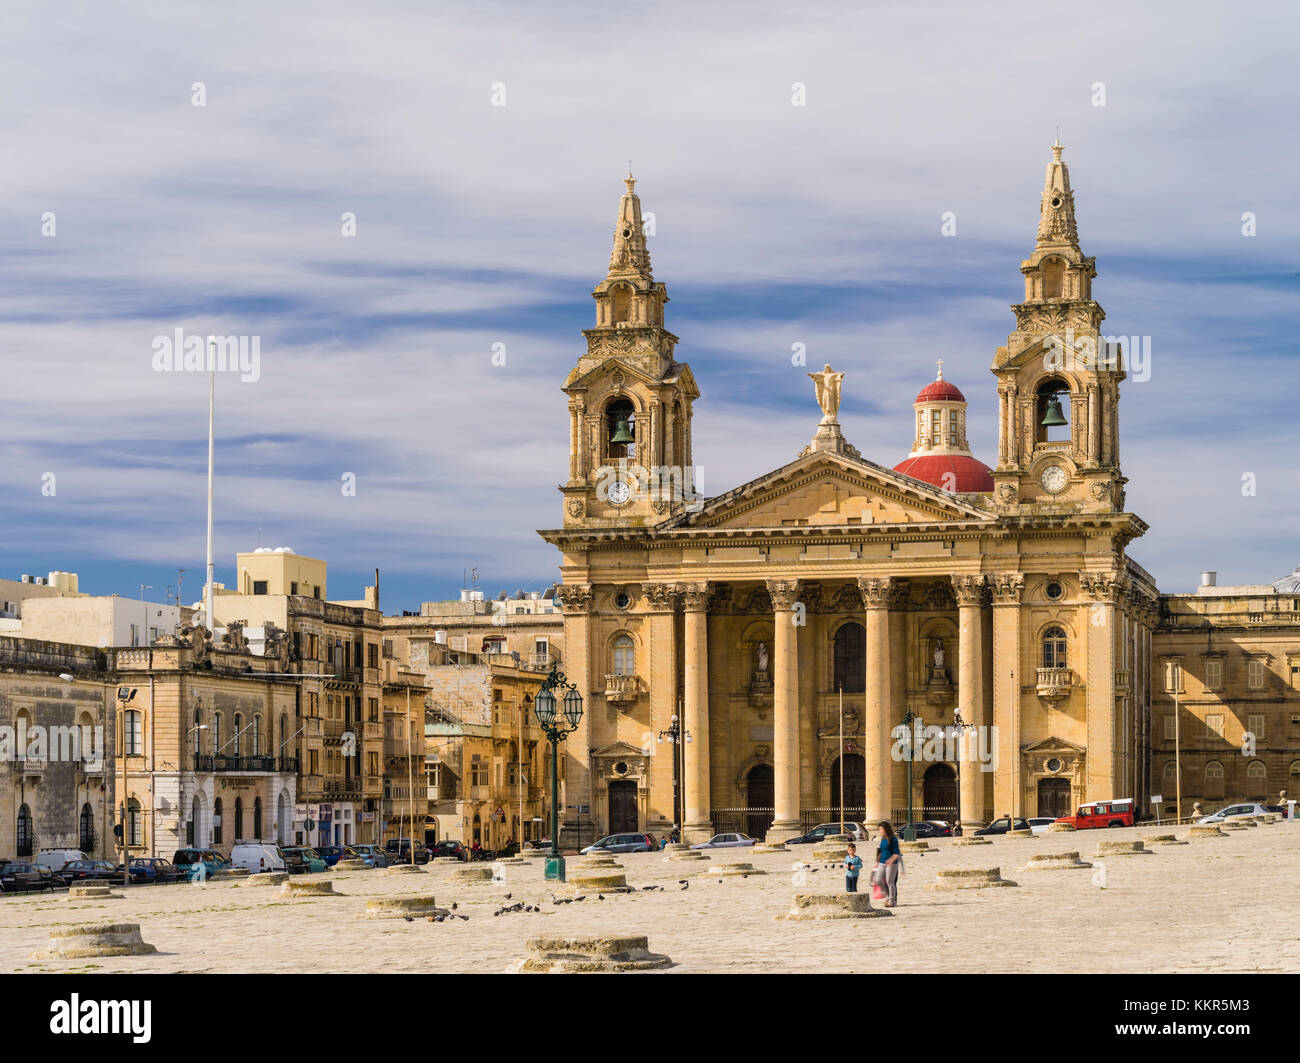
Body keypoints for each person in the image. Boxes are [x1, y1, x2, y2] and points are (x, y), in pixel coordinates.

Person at [872, 821, 902, 907]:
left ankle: (892, 901)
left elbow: (897, 853)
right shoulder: (883, 839)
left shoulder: (893, 839)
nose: (879, 831)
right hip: (882, 862)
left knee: (890, 882)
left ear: (885, 829)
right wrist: (877, 862)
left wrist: (891, 860)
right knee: (878, 880)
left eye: (881, 829)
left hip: (892, 864)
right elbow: (881, 851)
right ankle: (888, 896)